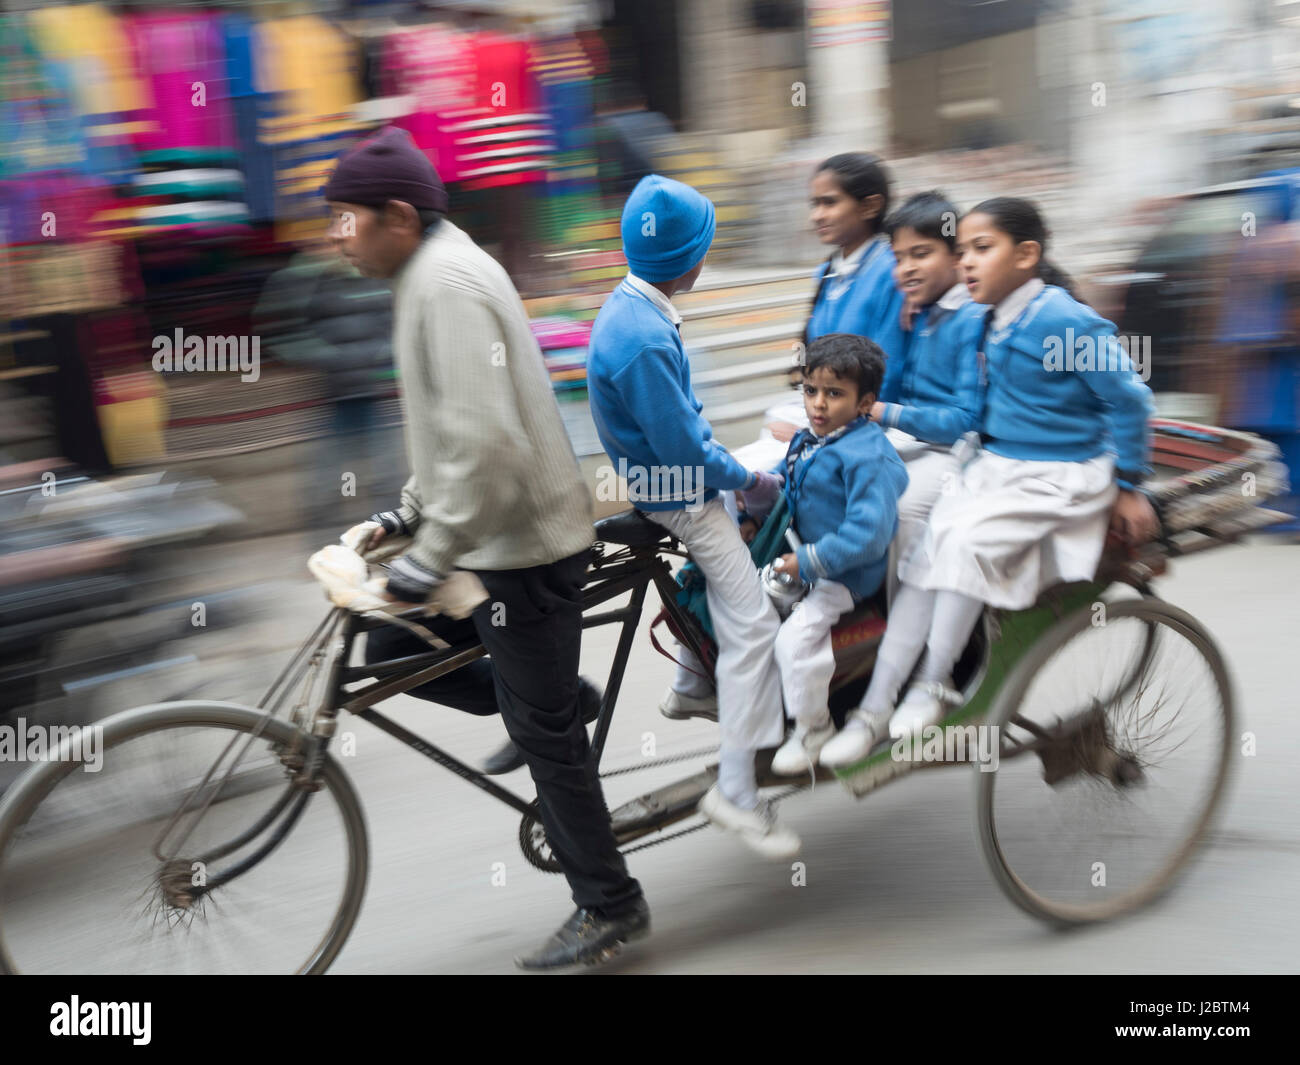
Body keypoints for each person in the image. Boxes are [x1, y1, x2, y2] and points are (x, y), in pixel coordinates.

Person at [322, 126, 648, 969]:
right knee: (391, 644)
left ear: (397, 215)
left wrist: (429, 560)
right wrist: (405, 520)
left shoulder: (446, 285)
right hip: (487, 535)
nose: (335, 234)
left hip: (523, 549)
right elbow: (450, 433)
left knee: (548, 746)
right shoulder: (425, 274)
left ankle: (610, 905)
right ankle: (553, 694)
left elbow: (487, 446)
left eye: (345, 218)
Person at [821, 197, 1159, 769]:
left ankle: (935, 685)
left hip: (1061, 475)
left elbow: (1128, 397)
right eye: (965, 251)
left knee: (964, 548)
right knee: (922, 561)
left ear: (1027, 255)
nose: (969, 262)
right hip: (998, 469)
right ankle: (873, 708)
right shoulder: (985, 323)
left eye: (983, 248)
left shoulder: (1061, 318)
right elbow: (969, 415)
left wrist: (1129, 483)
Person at [585, 173, 797, 859]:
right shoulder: (645, 339)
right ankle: (738, 792)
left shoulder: (631, 307)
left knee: (738, 543)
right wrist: (749, 479)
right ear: (689, 261)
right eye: (704, 247)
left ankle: (687, 681)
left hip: (663, 474)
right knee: (755, 623)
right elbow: (688, 452)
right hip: (677, 492)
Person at [763, 334, 908, 775]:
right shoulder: (812, 439)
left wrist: (805, 562)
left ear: (866, 403)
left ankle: (813, 726)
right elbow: (789, 478)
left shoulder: (867, 458)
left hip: (845, 576)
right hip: (803, 557)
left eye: (834, 394)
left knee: (795, 642)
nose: (818, 405)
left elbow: (868, 536)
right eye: (810, 391)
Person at [741, 152, 905, 470]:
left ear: (870, 206)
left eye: (829, 203)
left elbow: (889, 372)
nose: (817, 215)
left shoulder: (891, 272)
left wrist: (815, 428)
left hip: (864, 416)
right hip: (828, 407)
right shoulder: (828, 272)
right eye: (814, 204)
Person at [874, 191, 985, 595]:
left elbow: (964, 422)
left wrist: (884, 412)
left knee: (900, 509)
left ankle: (899, 612)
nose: (905, 269)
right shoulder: (923, 308)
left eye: (920, 254)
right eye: (899, 258)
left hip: (958, 451)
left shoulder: (973, 318)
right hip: (916, 438)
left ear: (957, 256)